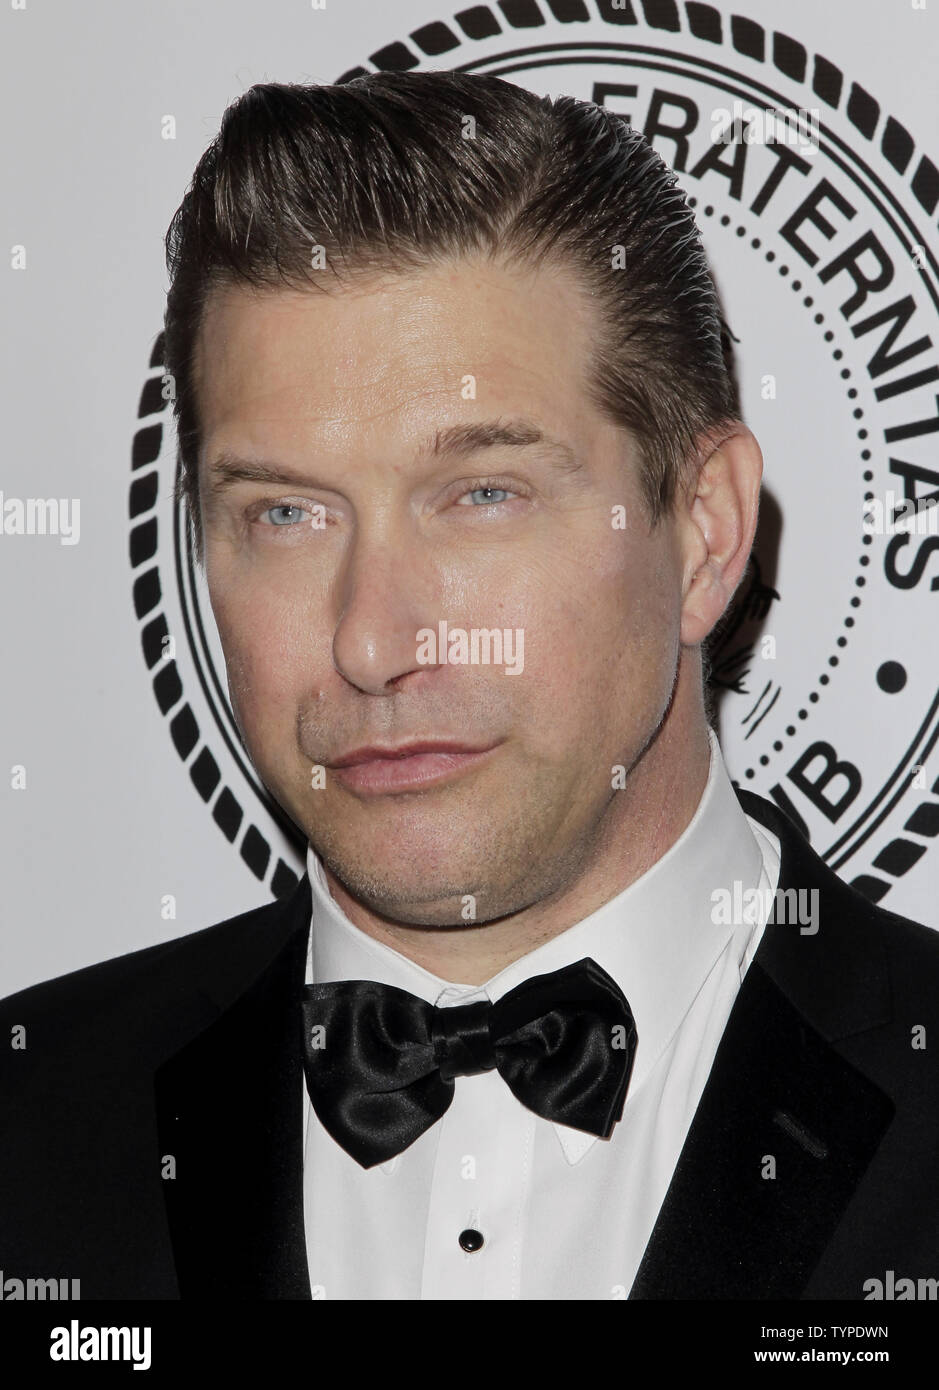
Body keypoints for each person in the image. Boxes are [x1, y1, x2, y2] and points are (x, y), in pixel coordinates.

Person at [2, 71, 937, 1301]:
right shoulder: (31, 1126)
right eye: (285, 512)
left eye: (483, 497)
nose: (374, 642)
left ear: (704, 534)